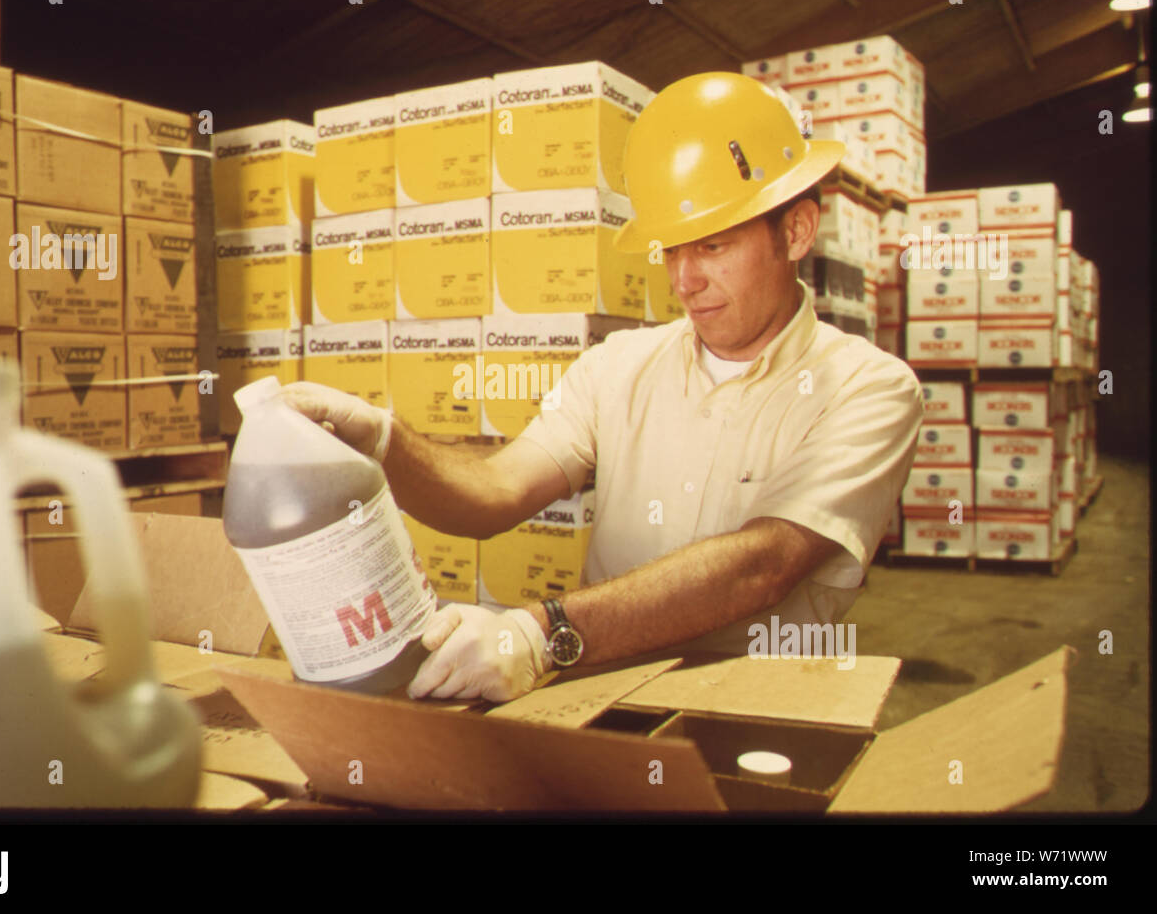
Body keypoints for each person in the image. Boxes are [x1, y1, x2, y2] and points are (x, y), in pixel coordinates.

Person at [283, 72, 923, 702]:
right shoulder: (617, 365)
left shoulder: (869, 389)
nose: (684, 280)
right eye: (671, 250)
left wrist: (543, 634)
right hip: (604, 702)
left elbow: (763, 565)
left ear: (796, 231)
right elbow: (496, 493)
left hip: (758, 717)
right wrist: (382, 441)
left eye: (712, 245)